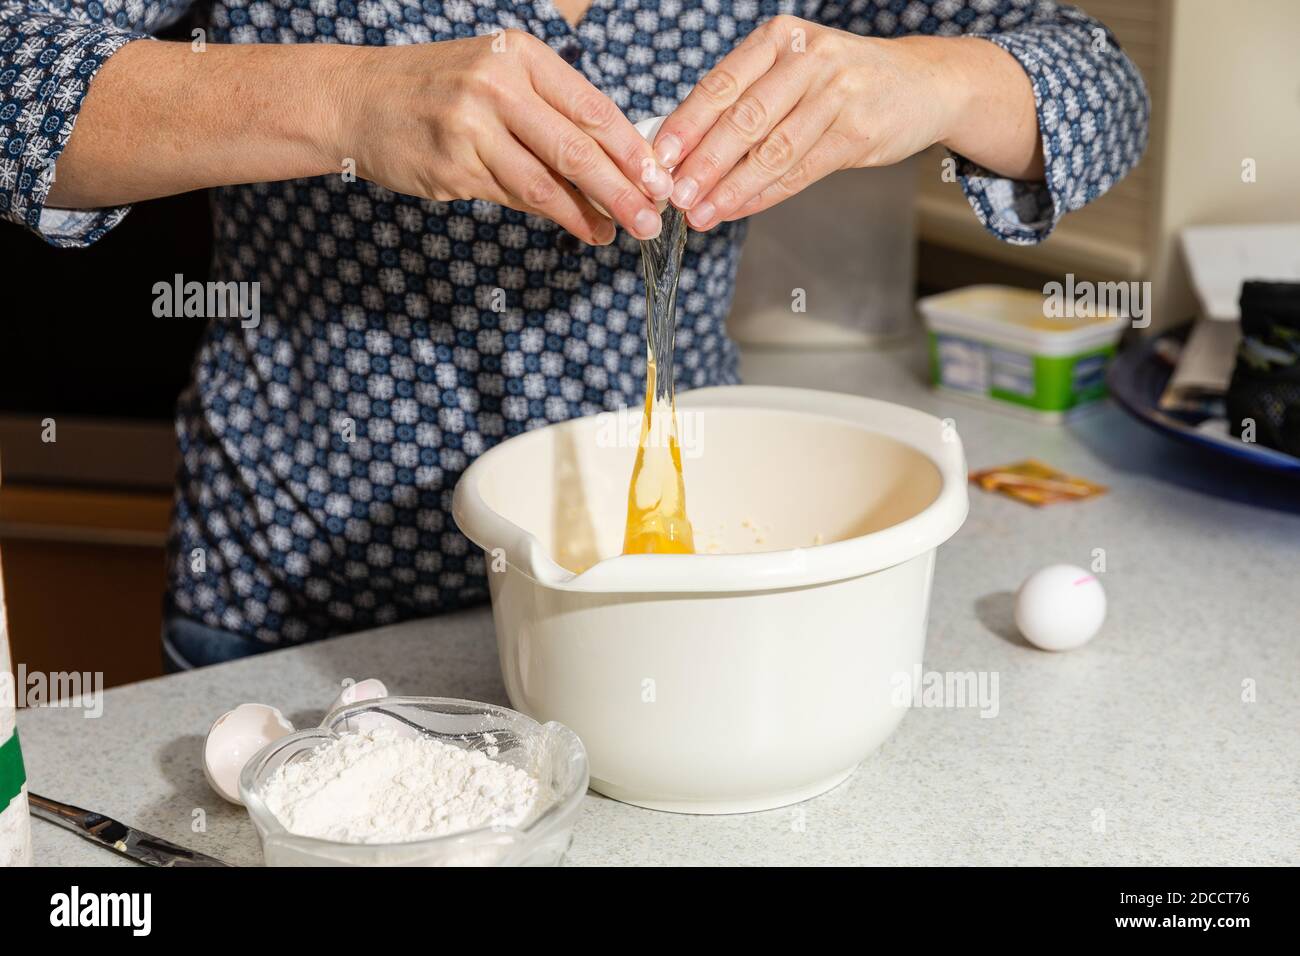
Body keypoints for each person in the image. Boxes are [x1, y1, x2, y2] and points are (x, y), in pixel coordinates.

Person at [0, 0, 1148, 667]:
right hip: (306, 605)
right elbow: (19, 75)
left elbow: (1102, 89)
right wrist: (345, 102)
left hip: (668, 604)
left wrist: (935, 82)